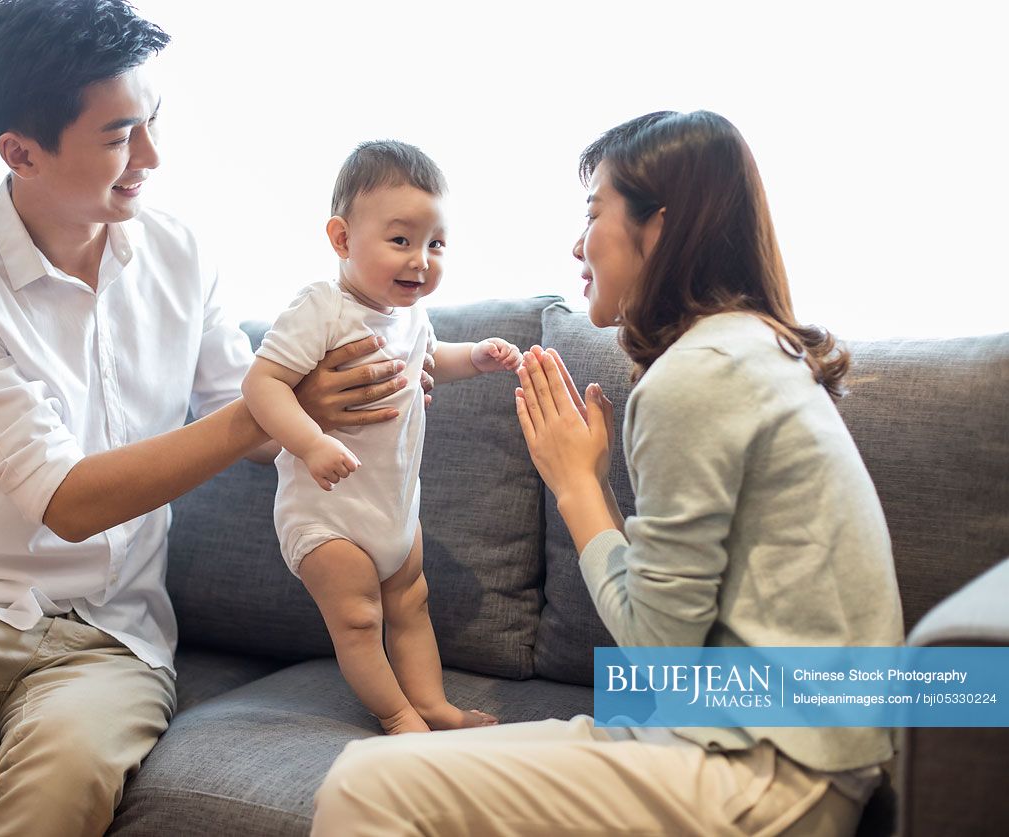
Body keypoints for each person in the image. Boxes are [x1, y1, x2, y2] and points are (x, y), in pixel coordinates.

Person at [0, 2, 429, 836]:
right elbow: (68, 501)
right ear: (21, 152)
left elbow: (244, 420)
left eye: (151, 122)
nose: (152, 156)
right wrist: (276, 407)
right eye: (118, 137)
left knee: (58, 789)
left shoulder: (179, 253)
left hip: (116, 638)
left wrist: (336, 398)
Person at [310, 111, 905, 835]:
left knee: (363, 786)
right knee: (409, 769)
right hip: (756, 737)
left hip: (773, 768)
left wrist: (576, 486)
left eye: (593, 213)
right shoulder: (748, 349)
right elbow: (674, 619)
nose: (576, 243)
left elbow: (658, 655)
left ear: (658, 227)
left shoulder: (697, 377)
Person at [242, 141, 520, 735]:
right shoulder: (322, 308)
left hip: (394, 508)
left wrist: (474, 358)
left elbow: (429, 359)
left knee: (412, 605)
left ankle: (435, 706)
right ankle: (397, 716)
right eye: (401, 240)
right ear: (341, 239)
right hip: (327, 517)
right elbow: (262, 385)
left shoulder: (410, 317)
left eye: (436, 244)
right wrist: (311, 441)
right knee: (361, 620)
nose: (421, 260)